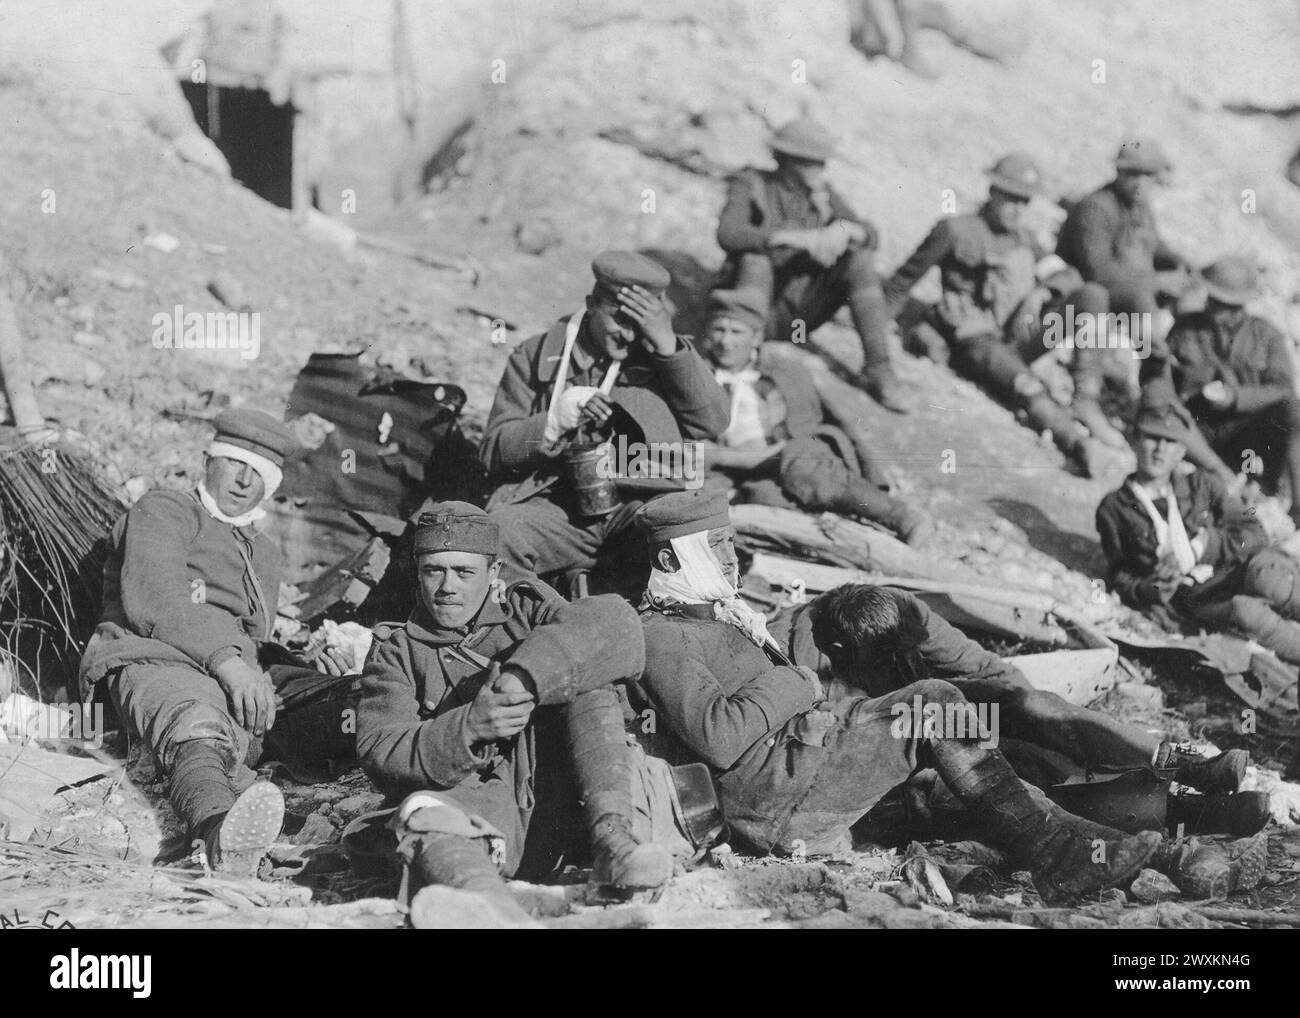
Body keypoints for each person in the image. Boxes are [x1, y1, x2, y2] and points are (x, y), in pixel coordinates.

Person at [627, 489, 1163, 903]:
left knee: (969, 777)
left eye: (728, 543)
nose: (729, 558)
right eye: (714, 546)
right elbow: (717, 737)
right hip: (774, 800)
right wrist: (799, 683)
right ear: (671, 563)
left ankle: (1119, 848)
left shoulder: (723, 617)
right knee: (932, 703)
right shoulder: (661, 635)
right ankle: (1056, 855)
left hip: (800, 770)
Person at [356, 502, 683, 928]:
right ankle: (497, 911)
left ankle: (615, 846)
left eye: (464, 572)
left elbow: (614, 624)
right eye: (434, 570)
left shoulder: (526, 610)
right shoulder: (397, 650)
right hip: (480, 808)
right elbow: (381, 749)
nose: (447, 587)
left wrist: (526, 677)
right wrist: (469, 727)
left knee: (585, 679)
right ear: (417, 574)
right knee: (423, 816)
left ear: (493, 576)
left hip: (569, 794)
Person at [79, 409, 357, 873]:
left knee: (355, 698)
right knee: (198, 722)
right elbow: (157, 601)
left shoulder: (262, 551)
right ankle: (219, 833)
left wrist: (297, 668)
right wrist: (229, 664)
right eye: (235, 464)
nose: (245, 481)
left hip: (238, 676)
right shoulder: (164, 510)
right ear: (209, 460)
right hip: (156, 656)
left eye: (260, 473)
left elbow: (253, 638)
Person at [479, 251, 729, 588]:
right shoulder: (537, 355)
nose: (628, 334)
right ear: (592, 304)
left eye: (638, 323)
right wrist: (553, 422)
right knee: (499, 535)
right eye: (618, 319)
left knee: (682, 547)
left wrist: (668, 347)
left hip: (636, 507)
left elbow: (713, 422)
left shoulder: (663, 358)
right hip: (556, 509)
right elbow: (493, 452)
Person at [884, 152, 1115, 475]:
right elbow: (901, 283)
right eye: (1011, 198)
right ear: (992, 192)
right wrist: (880, 329)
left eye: (1025, 201)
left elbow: (1068, 276)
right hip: (975, 342)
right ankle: (1076, 442)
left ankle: (1085, 400)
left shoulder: (1025, 239)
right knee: (1025, 384)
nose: (1018, 208)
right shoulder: (955, 230)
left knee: (1093, 296)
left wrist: (1041, 293)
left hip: (1017, 339)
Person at [697, 287, 931, 543]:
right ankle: (847, 535)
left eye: (736, 332)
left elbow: (814, 430)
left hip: (796, 459)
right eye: (719, 329)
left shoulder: (785, 373)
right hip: (743, 476)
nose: (725, 341)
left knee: (801, 466)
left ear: (756, 337)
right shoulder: (696, 378)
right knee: (761, 498)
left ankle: (901, 516)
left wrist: (868, 469)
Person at [715, 118, 908, 413]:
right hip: (751, 310)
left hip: (799, 315)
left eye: (821, 164)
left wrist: (845, 231)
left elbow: (869, 234)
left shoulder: (822, 196)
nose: (817, 171)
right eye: (808, 164)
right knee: (756, 261)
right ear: (784, 160)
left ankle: (879, 369)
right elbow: (729, 234)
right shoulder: (751, 183)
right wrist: (793, 239)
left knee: (859, 261)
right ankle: (738, 365)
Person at [1097, 403, 1300, 665]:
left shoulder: (1202, 485)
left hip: (1240, 568)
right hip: (1201, 595)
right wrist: (1152, 589)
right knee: (1245, 612)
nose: (1160, 449)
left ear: (1181, 450)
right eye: (1152, 438)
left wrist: (1202, 546)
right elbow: (1119, 575)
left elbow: (1255, 531)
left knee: (1267, 579)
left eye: (1170, 441)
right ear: (1135, 439)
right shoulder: (1114, 508)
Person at [1145, 255, 1300, 524]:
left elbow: (1283, 390)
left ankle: (1291, 505)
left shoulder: (1266, 336)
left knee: (1293, 411)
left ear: (1239, 306)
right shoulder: (1186, 329)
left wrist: (1234, 397)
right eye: (1212, 300)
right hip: (1198, 432)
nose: (1213, 308)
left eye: (1222, 304)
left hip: (1246, 437)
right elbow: (1160, 387)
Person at [1056, 137, 1194, 428]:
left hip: (1132, 293)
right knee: (1142, 301)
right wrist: (1157, 281)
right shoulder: (1096, 209)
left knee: (1193, 296)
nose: (1140, 183)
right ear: (1118, 173)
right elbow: (1100, 273)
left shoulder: (1139, 207)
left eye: (1148, 176)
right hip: (1087, 302)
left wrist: (1181, 265)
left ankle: (1175, 389)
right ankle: (1150, 387)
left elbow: (1154, 246)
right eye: (1132, 174)